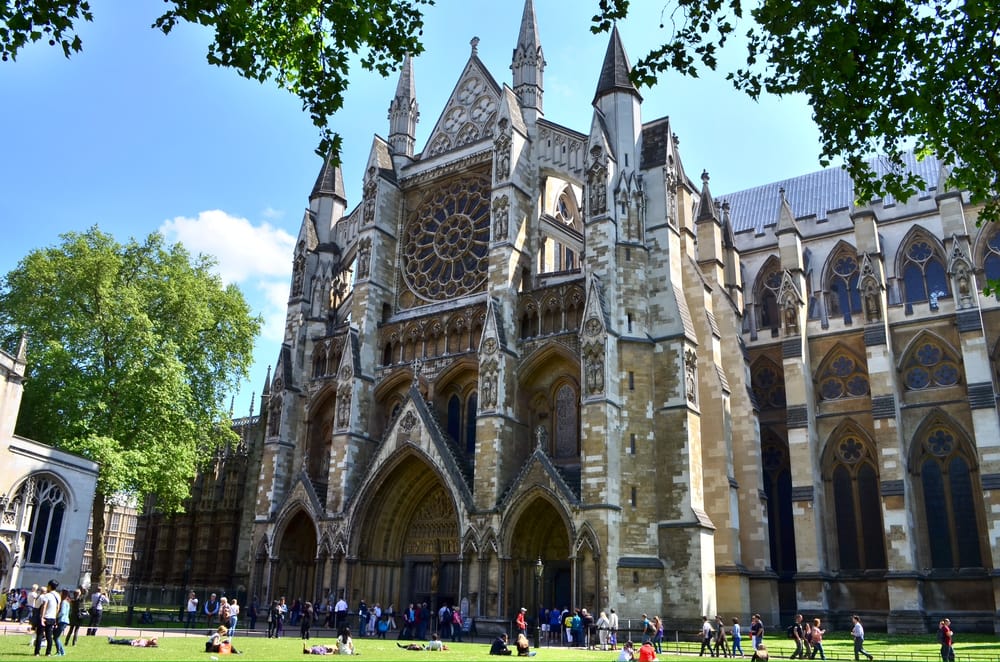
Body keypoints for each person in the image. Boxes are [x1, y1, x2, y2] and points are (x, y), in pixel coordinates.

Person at [34, 580, 59, 657]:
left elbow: (44, 606)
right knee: (49, 636)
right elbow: (58, 607)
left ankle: (37, 652)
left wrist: (42, 617)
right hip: (52, 617)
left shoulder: (47, 595)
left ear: (49, 586)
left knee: (40, 635)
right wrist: (55, 617)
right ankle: (48, 652)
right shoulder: (58, 595)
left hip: (46, 617)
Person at [54, 588, 71, 656]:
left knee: (56, 637)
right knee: (56, 637)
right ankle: (62, 652)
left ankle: (59, 652)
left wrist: (56, 616)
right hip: (65, 621)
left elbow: (63, 612)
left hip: (62, 620)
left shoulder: (64, 602)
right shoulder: (67, 602)